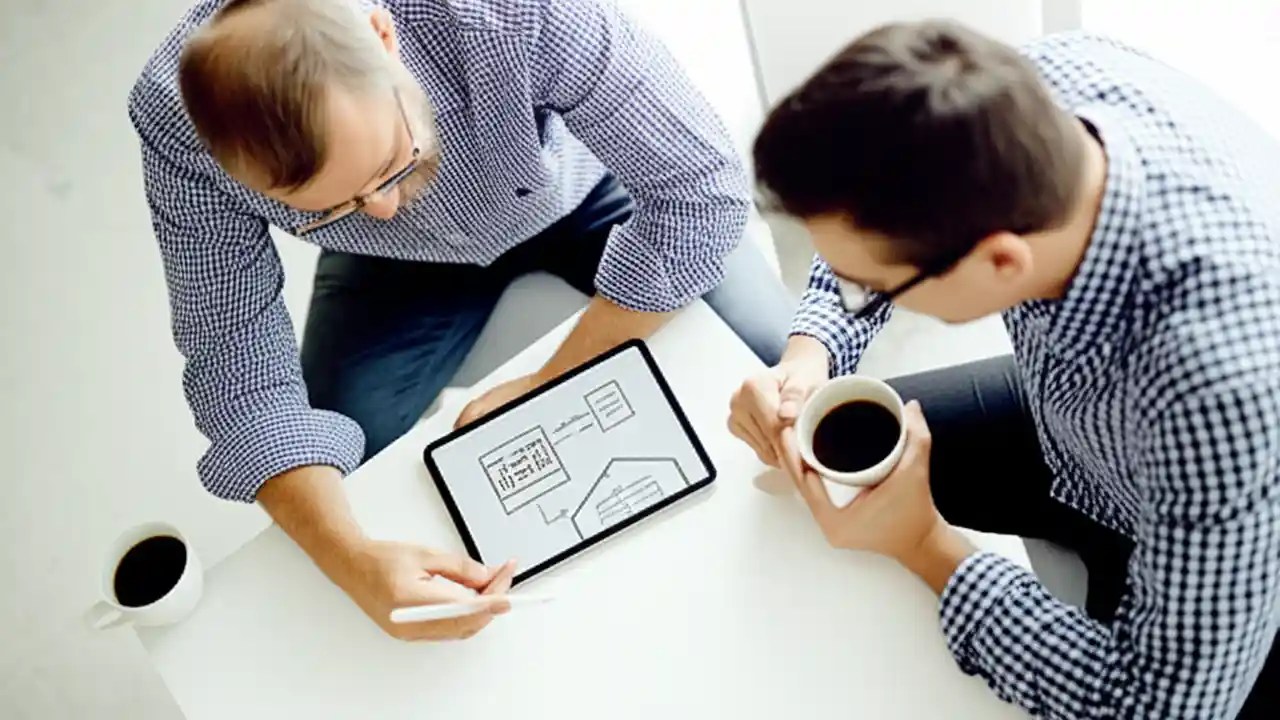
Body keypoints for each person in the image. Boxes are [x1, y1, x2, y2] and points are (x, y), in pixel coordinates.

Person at [129, 0, 794, 641]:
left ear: (383, 38)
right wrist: (354, 563)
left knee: (771, 349)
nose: (384, 207)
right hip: (393, 267)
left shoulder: (506, 10)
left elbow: (700, 194)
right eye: (328, 206)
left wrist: (550, 381)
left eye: (390, 165)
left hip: (584, 190)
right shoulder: (175, 123)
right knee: (344, 479)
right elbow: (234, 366)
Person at [730, 21, 1279, 719]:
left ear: (1001, 261)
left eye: (874, 287)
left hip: (1233, 530)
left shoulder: (1220, 386)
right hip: (1075, 434)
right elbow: (870, 231)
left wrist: (927, 547)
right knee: (823, 469)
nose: (855, 289)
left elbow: (1154, 707)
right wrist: (809, 353)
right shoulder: (1029, 85)